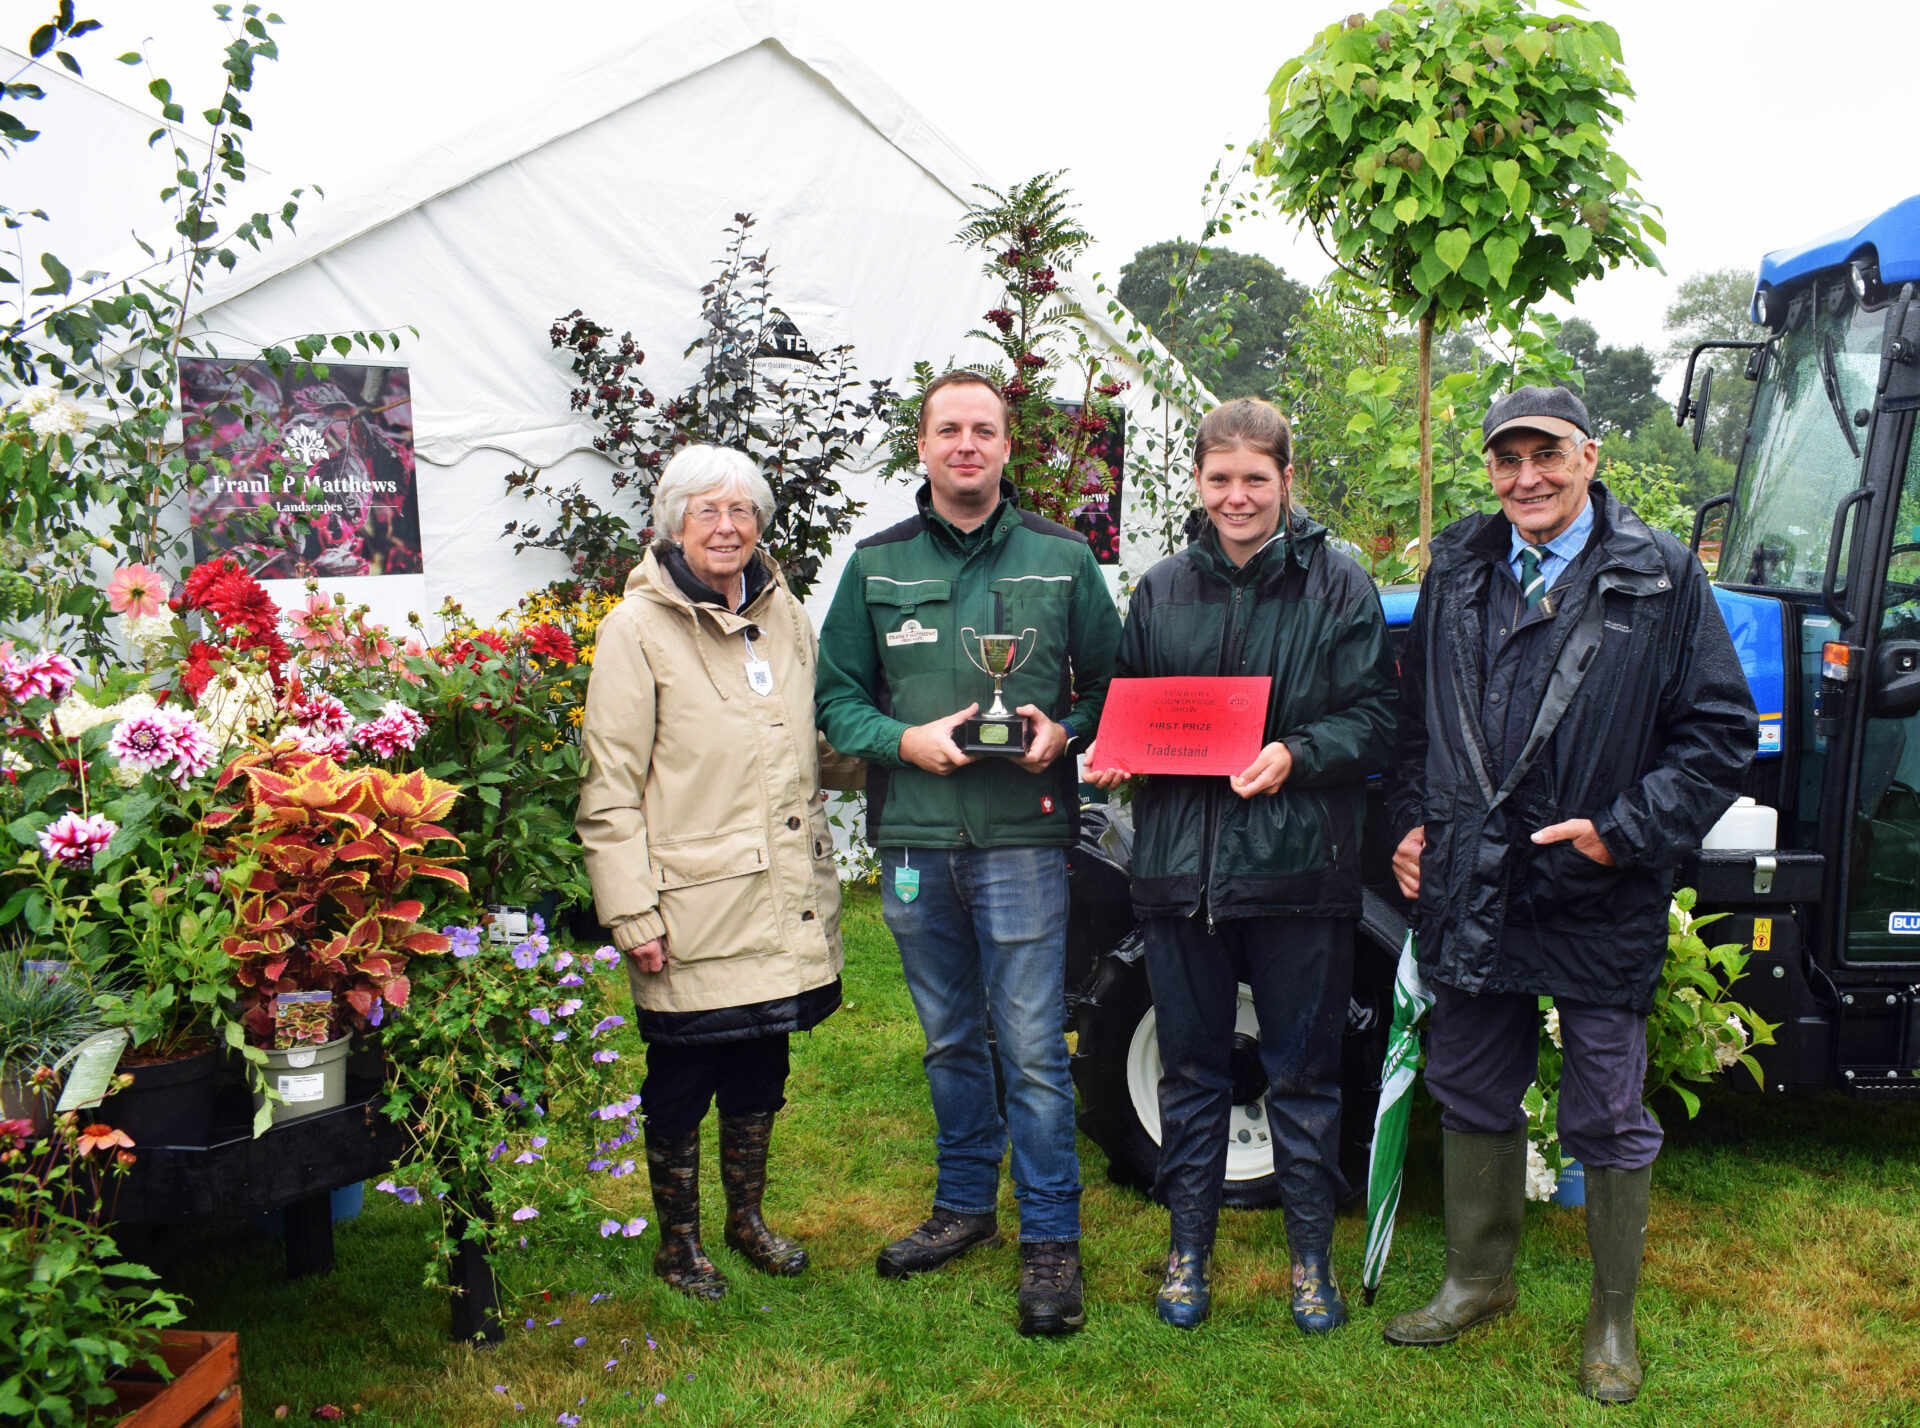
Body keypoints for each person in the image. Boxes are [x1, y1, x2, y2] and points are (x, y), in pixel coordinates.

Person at [1383, 387, 1755, 1401]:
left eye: (1545, 455)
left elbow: (1719, 736)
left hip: (1595, 889)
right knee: (1469, 1087)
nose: (1526, 479)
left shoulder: (1661, 576)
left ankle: (1611, 1321)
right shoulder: (1457, 566)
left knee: (1605, 1107)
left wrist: (1619, 836)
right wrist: (1409, 826)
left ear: (1588, 456)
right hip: (1473, 884)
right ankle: (1475, 1279)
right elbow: (1417, 730)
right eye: (1506, 460)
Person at [814, 368, 1122, 1336]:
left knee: (1031, 1048)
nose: (966, 446)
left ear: (1005, 446)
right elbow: (835, 700)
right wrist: (899, 741)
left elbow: (1115, 688)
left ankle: (1050, 1239)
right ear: (923, 445)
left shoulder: (1063, 558)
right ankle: (962, 1210)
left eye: (983, 430)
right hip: (912, 841)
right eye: (948, 429)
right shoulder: (875, 565)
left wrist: (1067, 730)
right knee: (951, 1039)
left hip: (1022, 840)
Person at [1084, 398, 1397, 1333]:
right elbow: (1127, 701)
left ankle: (1310, 1260)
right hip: (1181, 874)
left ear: (1287, 483)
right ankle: (1188, 1250)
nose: (1237, 496)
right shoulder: (1161, 590)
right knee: (1190, 1070)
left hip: (1299, 872)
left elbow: (1377, 718)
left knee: (1303, 1073)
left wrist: (1296, 754)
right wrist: (1112, 744)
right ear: (1198, 483)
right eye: (1219, 479)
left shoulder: (1340, 588)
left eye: (1255, 479)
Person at [577, 444, 863, 1301]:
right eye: (707, 511)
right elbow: (610, 787)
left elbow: (811, 746)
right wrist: (631, 912)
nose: (728, 527)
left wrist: (903, 748)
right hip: (693, 903)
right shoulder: (635, 631)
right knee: (682, 1075)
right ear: (672, 525)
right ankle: (677, 1243)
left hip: (779, 894)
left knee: (760, 1066)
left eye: (742, 511)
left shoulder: (787, 615)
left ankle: (746, 1220)